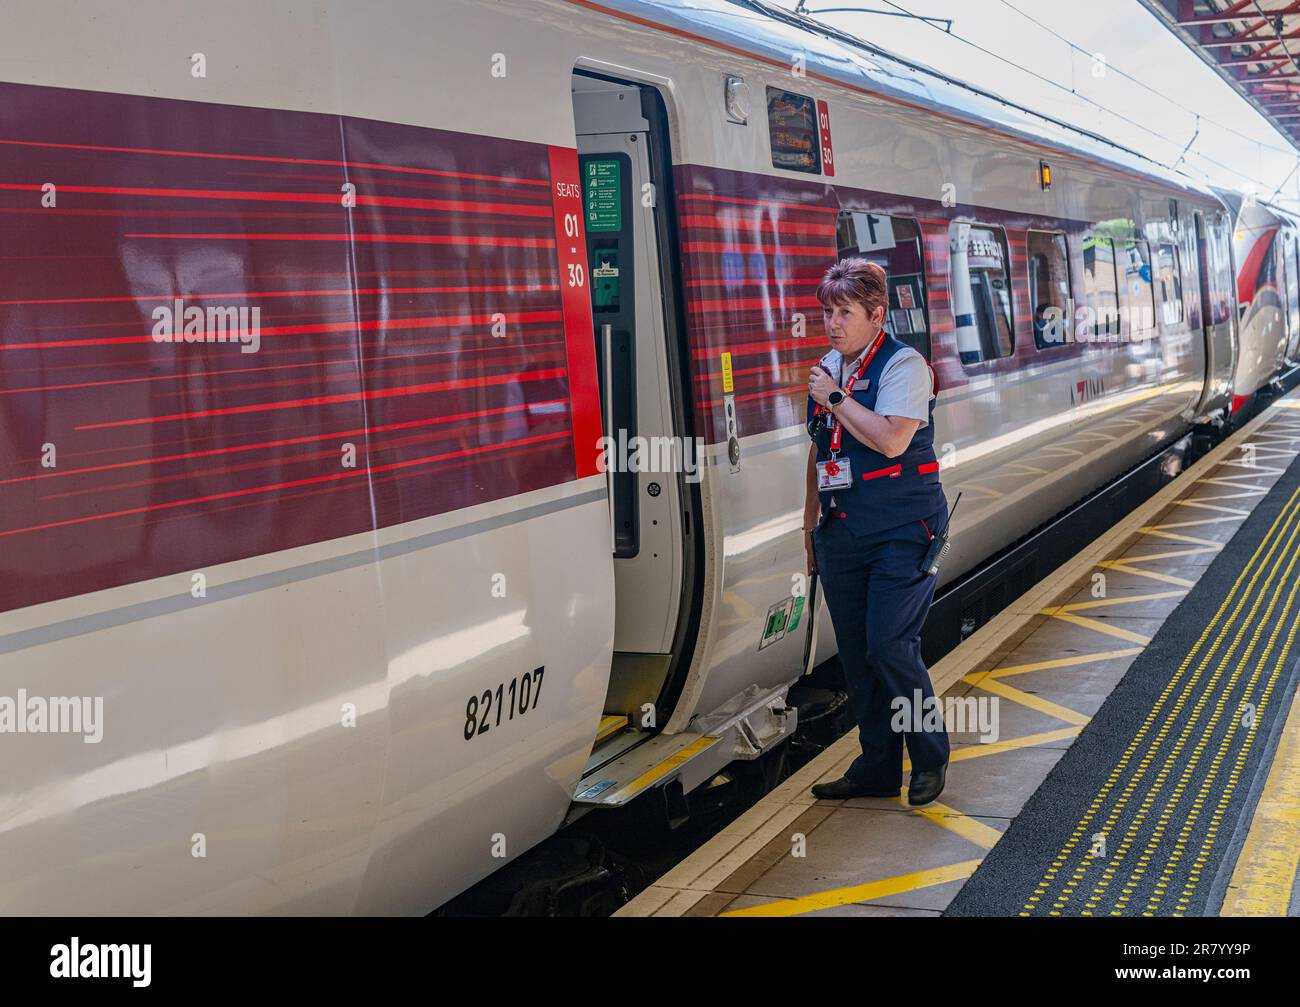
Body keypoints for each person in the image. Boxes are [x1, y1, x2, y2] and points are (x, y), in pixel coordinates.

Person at [803, 257, 950, 806]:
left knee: (891, 645)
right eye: (828, 313)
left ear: (876, 314)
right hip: (842, 531)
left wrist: (838, 400)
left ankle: (930, 759)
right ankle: (877, 767)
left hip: (902, 528)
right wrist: (808, 524)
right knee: (858, 655)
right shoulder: (828, 368)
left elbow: (890, 440)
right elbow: (821, 451)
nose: (833, 323)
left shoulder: (903, 366)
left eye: (844, 312)